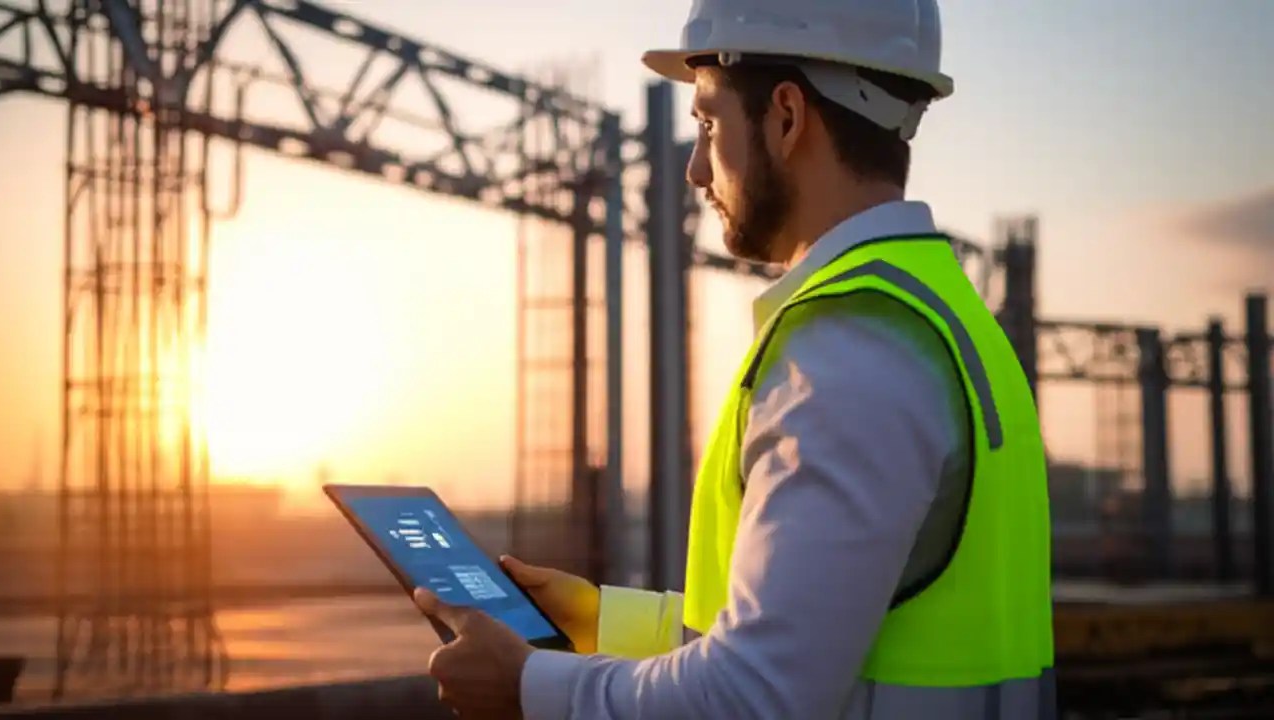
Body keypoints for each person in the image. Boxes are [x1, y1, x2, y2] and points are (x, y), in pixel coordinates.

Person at [412, 0, 1056, 717]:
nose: (693, 170)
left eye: (708, 124)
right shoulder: (932, 313)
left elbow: (756, 695)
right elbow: (806, 628)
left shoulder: (848, 352)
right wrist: (598, 620)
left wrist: (531, 688)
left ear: (786, 117)